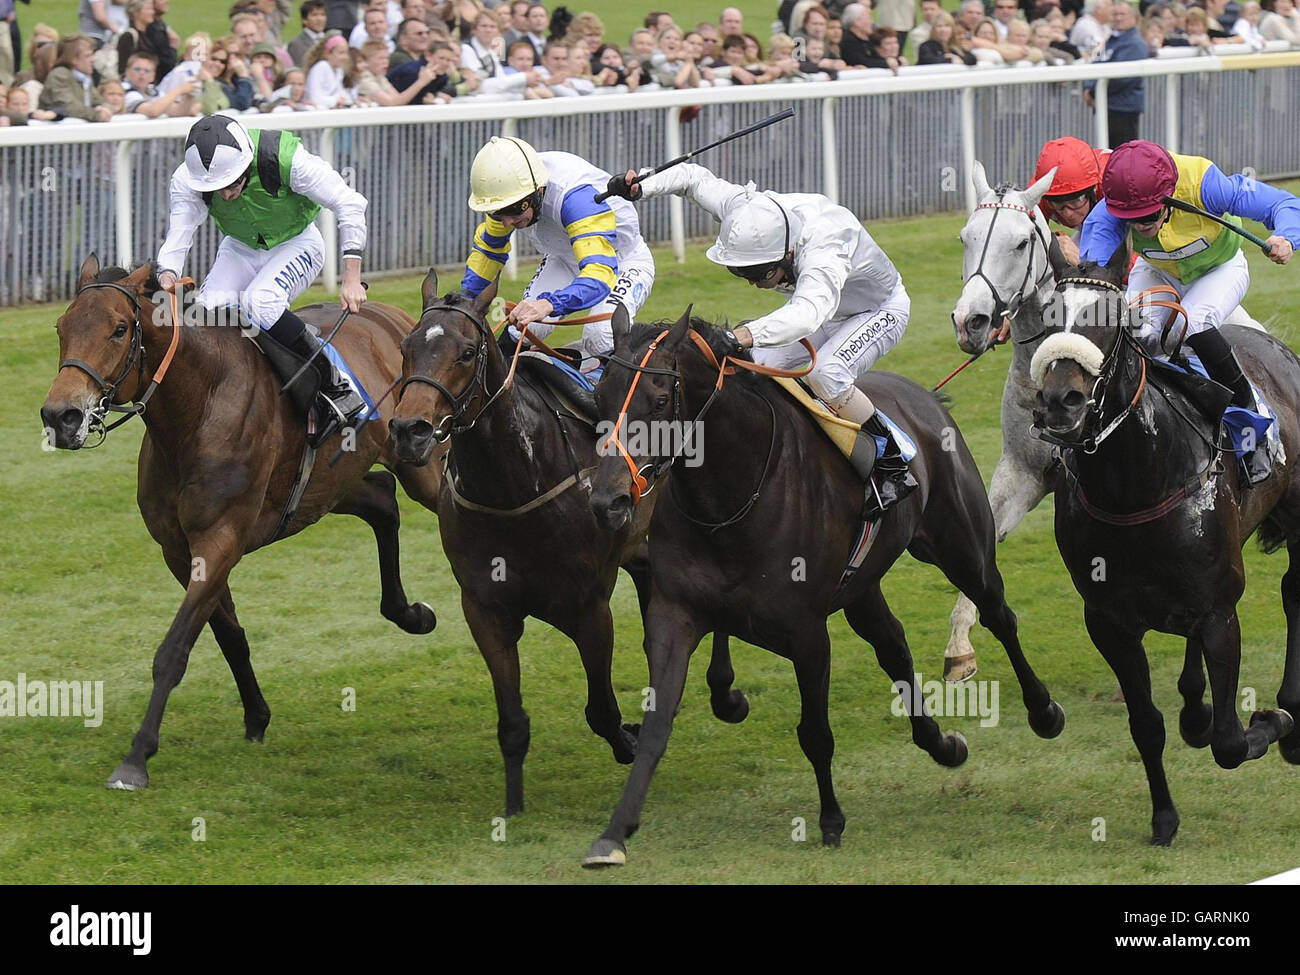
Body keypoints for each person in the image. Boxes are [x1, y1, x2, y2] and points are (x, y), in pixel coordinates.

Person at [606, 163, 918, 515]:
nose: (752, 283)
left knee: (826, 372)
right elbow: (693, 179)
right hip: (824, 309)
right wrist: (642, 185)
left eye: (758, 274)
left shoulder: (826, 248)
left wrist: (742, 334)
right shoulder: (746, 212)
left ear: (786, 254)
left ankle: (891, 462)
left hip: (877, 310)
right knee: (754, 367)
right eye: (741, 273)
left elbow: (807, 314)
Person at [1078, 139, 1300, 483]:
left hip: (1220, 270)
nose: (1141, 226)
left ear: (1168, 195)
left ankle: (1251, 427)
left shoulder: (1205, 184)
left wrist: (1287, 237)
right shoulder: (1115, 203)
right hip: (1157, 271)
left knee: (1193, 324)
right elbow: (1091, 264)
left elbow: (1283, 204)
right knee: (1136, 334)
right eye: (1131, 219)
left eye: (1149, 216)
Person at [156, 115, 369, 445]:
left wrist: (351, 278)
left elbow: (350, 203)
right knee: (205, 315)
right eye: (214, 189)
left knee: (261, 302)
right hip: (240, 248)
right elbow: (178, 237)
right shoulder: (188, 178)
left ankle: (335, 385)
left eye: (230, 185)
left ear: (245, 166)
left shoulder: (285, 159)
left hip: (298, 243)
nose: (225, 196)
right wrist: (166, 277)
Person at [460, 136, 655, 363]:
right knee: (523, 329)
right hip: (564, 258)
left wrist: (549, 304)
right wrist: (465, 302)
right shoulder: (507, 193)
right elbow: (488, 253)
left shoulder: (575, 199)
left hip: (619, 263)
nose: (505, 222)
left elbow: (598, 276)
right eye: (497, 213)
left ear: (538, 191)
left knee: (600, 337)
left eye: (513, 211)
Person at [1083, 0, 1146, 148]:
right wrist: (1088, 88)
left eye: (1123, 14)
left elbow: (1123, 78)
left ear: (1134, 18)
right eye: (1116, 14)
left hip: (1123, 110)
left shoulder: (1135, 44)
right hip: (1108, 107)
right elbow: (1096, 63)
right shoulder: (1112, 40)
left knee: (1122, 155)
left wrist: (1093, 93)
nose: (1118, 18)